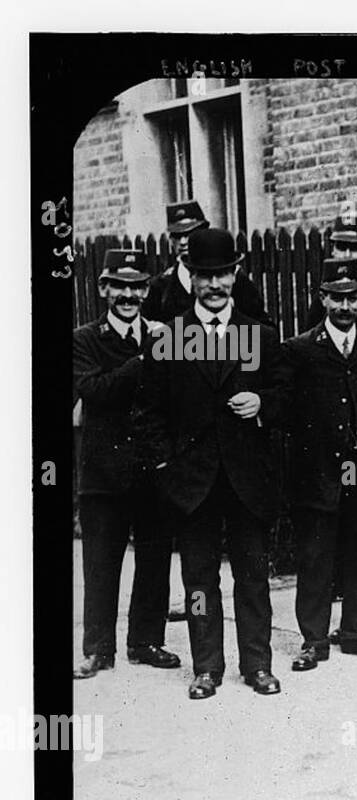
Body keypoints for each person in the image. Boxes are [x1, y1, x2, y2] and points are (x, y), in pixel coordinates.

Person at [134, 228, 290, 700]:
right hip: (193, 481)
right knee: (199, 579)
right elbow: (148, 412)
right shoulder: (172, 337)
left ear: (235, 273)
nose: (215, 285)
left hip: (247, 476)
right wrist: (165, 468)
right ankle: (207, 667)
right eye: (205, 276)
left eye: (223, 274)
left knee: (252, 575)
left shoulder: (258, 333)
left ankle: (258, 665)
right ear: (192, 277)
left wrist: (261, 401)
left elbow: (289, 395)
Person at [284, 258, 357, 671]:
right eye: (337, 298)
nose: (345, 306)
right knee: (316, 556)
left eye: (353, 297)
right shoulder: (301, 349)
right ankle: (313, 639)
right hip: (320, 471)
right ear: (322, 299)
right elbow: (287, 416)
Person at [72, 250, 181, 679]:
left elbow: (175, 395)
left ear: (146, 291)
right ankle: (99, 648)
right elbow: (94, 391)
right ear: (104, 289)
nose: (129, 295)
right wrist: (143, 358)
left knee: (155, 559)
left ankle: (147, 641)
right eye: (120, 286)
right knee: (101, 562)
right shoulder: (84, 339)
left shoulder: (163, 336)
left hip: (151, 467)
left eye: (137, 287)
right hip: (104, 471)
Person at [142, 200, 271, 325]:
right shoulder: (162, 286)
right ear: (170, 240)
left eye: (189, 234)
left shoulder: (236, 279)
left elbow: (260, 325)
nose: (183, 242)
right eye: (177, 236)